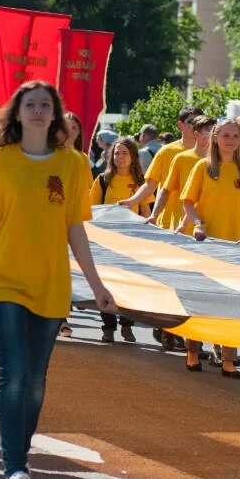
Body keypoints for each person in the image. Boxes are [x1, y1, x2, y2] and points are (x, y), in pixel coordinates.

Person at [0, 80, 115, 479]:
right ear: (17, 111)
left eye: (46, 105)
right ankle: (15, 466)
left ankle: (19, 451)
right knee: (13, 374)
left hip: (50, 282)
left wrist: (97, 286)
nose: (39, 111)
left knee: (35, 380)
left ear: (56, 114)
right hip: (1, 280)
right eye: (31, 104)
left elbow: (74, 229)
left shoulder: (71, 164)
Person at [179, 115, 240, 378]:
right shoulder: (202, 168)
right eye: (225, 136)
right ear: (215, 138)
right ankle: (193, 352)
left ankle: (228, 359)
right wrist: (197, 223)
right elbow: (188, 202)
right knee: (201, 301)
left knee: (232, 303)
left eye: (235, 136)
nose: (231, 140)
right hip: (205, 245)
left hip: (235, 246)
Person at [88, 137, 149, 342]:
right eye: (116, 153)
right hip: (106, 243)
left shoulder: (142, 183)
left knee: (128, 284)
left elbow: (145, 211)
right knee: (106, 284)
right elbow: (92, 211)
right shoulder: (103, 180)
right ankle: (108, 326)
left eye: (124, 153)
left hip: (132, 243)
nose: (120, 157)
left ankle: (126, 324)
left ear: (133, 157)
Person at [120, 107, 203, 228]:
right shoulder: (166, 151)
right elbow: (150, 184)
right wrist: (132, 201)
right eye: (192, 122)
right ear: (180, 125)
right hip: (170, 223)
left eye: (200, 121)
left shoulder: (211, 153)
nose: (196, 125)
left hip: (201, 224)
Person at [149, 115, 216, 234]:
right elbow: (166, 190)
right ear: (196, 134)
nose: (213, 135)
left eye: (215, 132)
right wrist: (154, 215)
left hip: (213, 227)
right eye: (209, 132)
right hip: (184, 228)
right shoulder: (181, 159)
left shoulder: (220, 162)